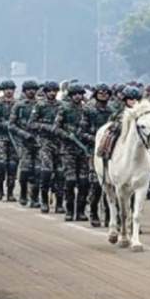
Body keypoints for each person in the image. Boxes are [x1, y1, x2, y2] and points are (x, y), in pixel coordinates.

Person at [55, 85, 92, 221]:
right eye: (75, 94)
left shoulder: (87, 110)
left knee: (84, 182)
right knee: (70, 181)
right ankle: (69, 211)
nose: (77, 96)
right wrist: (66, 135)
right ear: (70, 96)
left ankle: (81, 211)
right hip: (68, 150)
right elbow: (56, 128)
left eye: (80, 94)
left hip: (83, 150)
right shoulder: (64, 109)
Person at [29, 81, 63, 213]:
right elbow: (31, 124)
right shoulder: (40, 106)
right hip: (44, 142)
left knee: (60, 174)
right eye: (49, 91)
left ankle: (59, 203)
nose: (52, 93)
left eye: (54, 90)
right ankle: (43, 201)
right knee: (46, 172)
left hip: (60, 143)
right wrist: (45, 127)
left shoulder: (62, 106)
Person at [82, 84, 114, 226]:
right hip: (93, 151)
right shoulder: (88, 110)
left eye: (106, 93)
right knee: (96, 184)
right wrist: (97, 138)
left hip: (111, 151)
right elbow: (81, 132)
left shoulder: (113, 110)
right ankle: (94, 212)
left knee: (111, 184)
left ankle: (109, 215)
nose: (103, 95)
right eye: (100, 93)